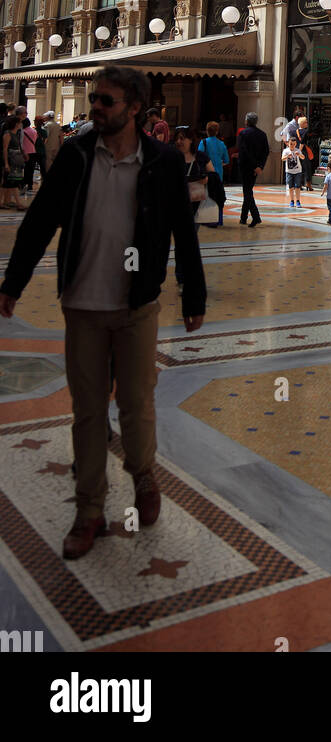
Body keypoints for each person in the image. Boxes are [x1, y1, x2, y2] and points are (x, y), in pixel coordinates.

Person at [0, 66, 206, 560]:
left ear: (135, 107)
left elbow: (182, 228)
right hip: (82, 305)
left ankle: (143, 477)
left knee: (136, 404)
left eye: (106, 101)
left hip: (136, 306)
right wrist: (12, 285)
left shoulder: (160, 162)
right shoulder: (75, 156)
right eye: (94, 99)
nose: (96, 108)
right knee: (88, 412)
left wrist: (193, 294)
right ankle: (89, 511)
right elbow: (40, 222)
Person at [175, 128, 214, 284]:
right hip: (177, 205)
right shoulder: (172, 157)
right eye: (177, 138)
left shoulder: (201, 157)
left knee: (189, 241)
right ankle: (181, 276)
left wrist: (206, 178)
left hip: (197, 206)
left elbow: (213, 174)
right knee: (181, 241)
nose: (179, 141)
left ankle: (187, 276)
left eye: (183, 138)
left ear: (191, 140)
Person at [237, 111, 269, 227]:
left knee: (247, 192)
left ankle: (256, 217)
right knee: (248, 191)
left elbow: (243, 152)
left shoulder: (243, 134)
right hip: (256, 169)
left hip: (246, 167)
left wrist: (254, 165)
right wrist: (260, 166)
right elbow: (266, 152)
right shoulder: (262, 134)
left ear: (246, 121)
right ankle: (243, 218)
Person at [198, 122, 230, 225]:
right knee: (218, 196)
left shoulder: (203, 143)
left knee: (207, 196)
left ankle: (207, 219)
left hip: (207, 174)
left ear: (207, 131)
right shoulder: (221, 144)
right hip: (218, 174)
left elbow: (199, 157)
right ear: (217, 131)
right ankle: (219, 219)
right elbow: (227, 160)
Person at [1, 113, 28, 211]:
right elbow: (5, 149)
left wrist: (23, 153)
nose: (21, 124)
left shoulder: (16, 134)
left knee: (8, 183)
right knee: (12, 182)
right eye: (19, 122)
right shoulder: (8, 134)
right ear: (16, 123)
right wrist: (6, 163)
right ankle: (19, 203)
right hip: (11, 160)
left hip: (15, 161)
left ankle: (4, 202)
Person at [283, 136, 304, 208]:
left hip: (298, 171)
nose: (292, 145)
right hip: (289, 171)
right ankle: (291, 201)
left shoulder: (297, 150)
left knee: (297, 187)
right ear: (288, 144)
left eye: (294, 144)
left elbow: (303, 157)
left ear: (296, 144)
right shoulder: (286, 151)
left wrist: (299, 154)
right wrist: (287, 156)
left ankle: (298, 201)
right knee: (290, 187)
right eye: (291, 144)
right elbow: (282, 159)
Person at [20, 114, 38, 194]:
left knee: (24, 169)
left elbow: (21, 143)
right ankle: (30, 185)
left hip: (25, 152)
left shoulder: (22, 132)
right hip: (33, 151)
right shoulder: (34, 131)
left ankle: (23, 183)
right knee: (31, 169)